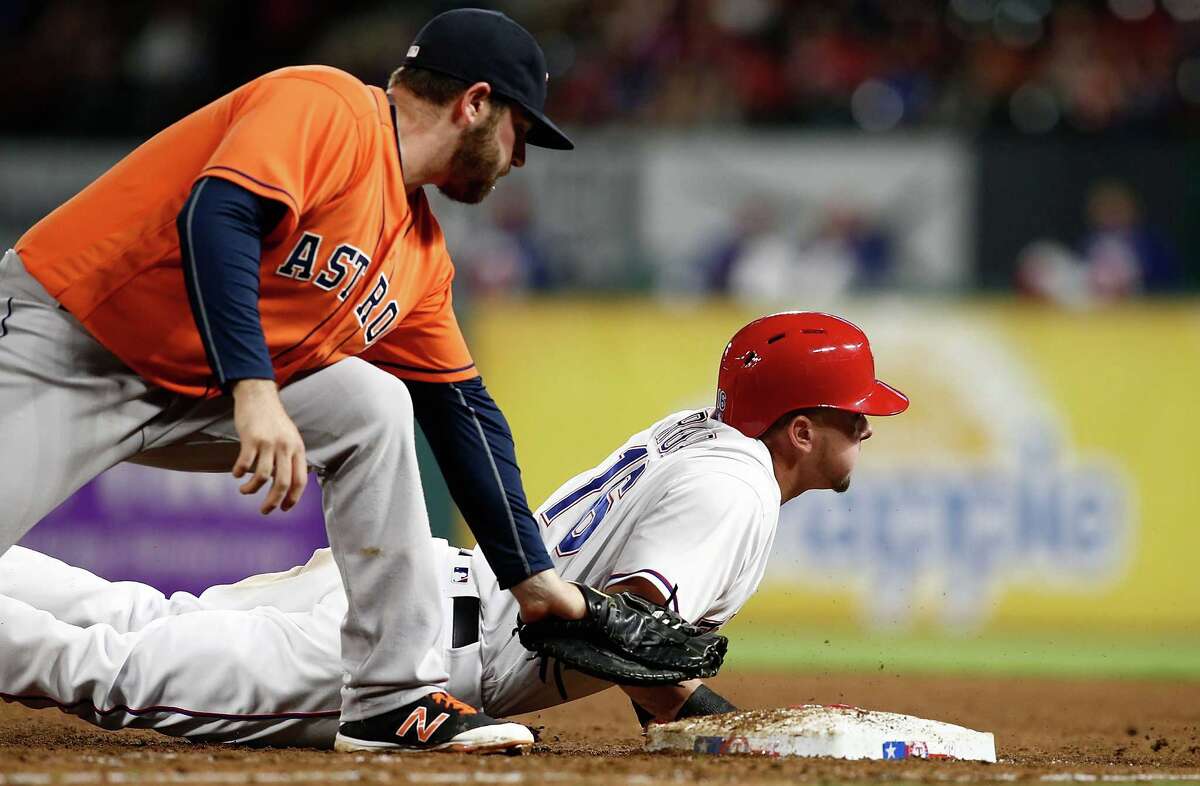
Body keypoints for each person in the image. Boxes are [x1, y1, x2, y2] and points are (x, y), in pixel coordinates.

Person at [0, 9, 587, 754]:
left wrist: (529, 577)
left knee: (375, 404)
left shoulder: (420, 254)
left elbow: (462, 410)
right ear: (474, 102)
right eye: (521, 130)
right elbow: (220, 215)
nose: (521, 157)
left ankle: (388, 698)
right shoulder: (329, 106)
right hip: (70, 346)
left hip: (201, 389)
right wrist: (254, 390)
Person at [0, 312, 909, 750]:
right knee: (107, 671)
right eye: (853, 415)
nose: (867, 428)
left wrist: (689, 701)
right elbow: (611, 626)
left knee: (137, 620)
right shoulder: (738, 490)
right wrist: (704, 703)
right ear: (800, 428)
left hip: (419, 598)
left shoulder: (701, 438)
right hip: (414, 656)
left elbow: (627, 633)